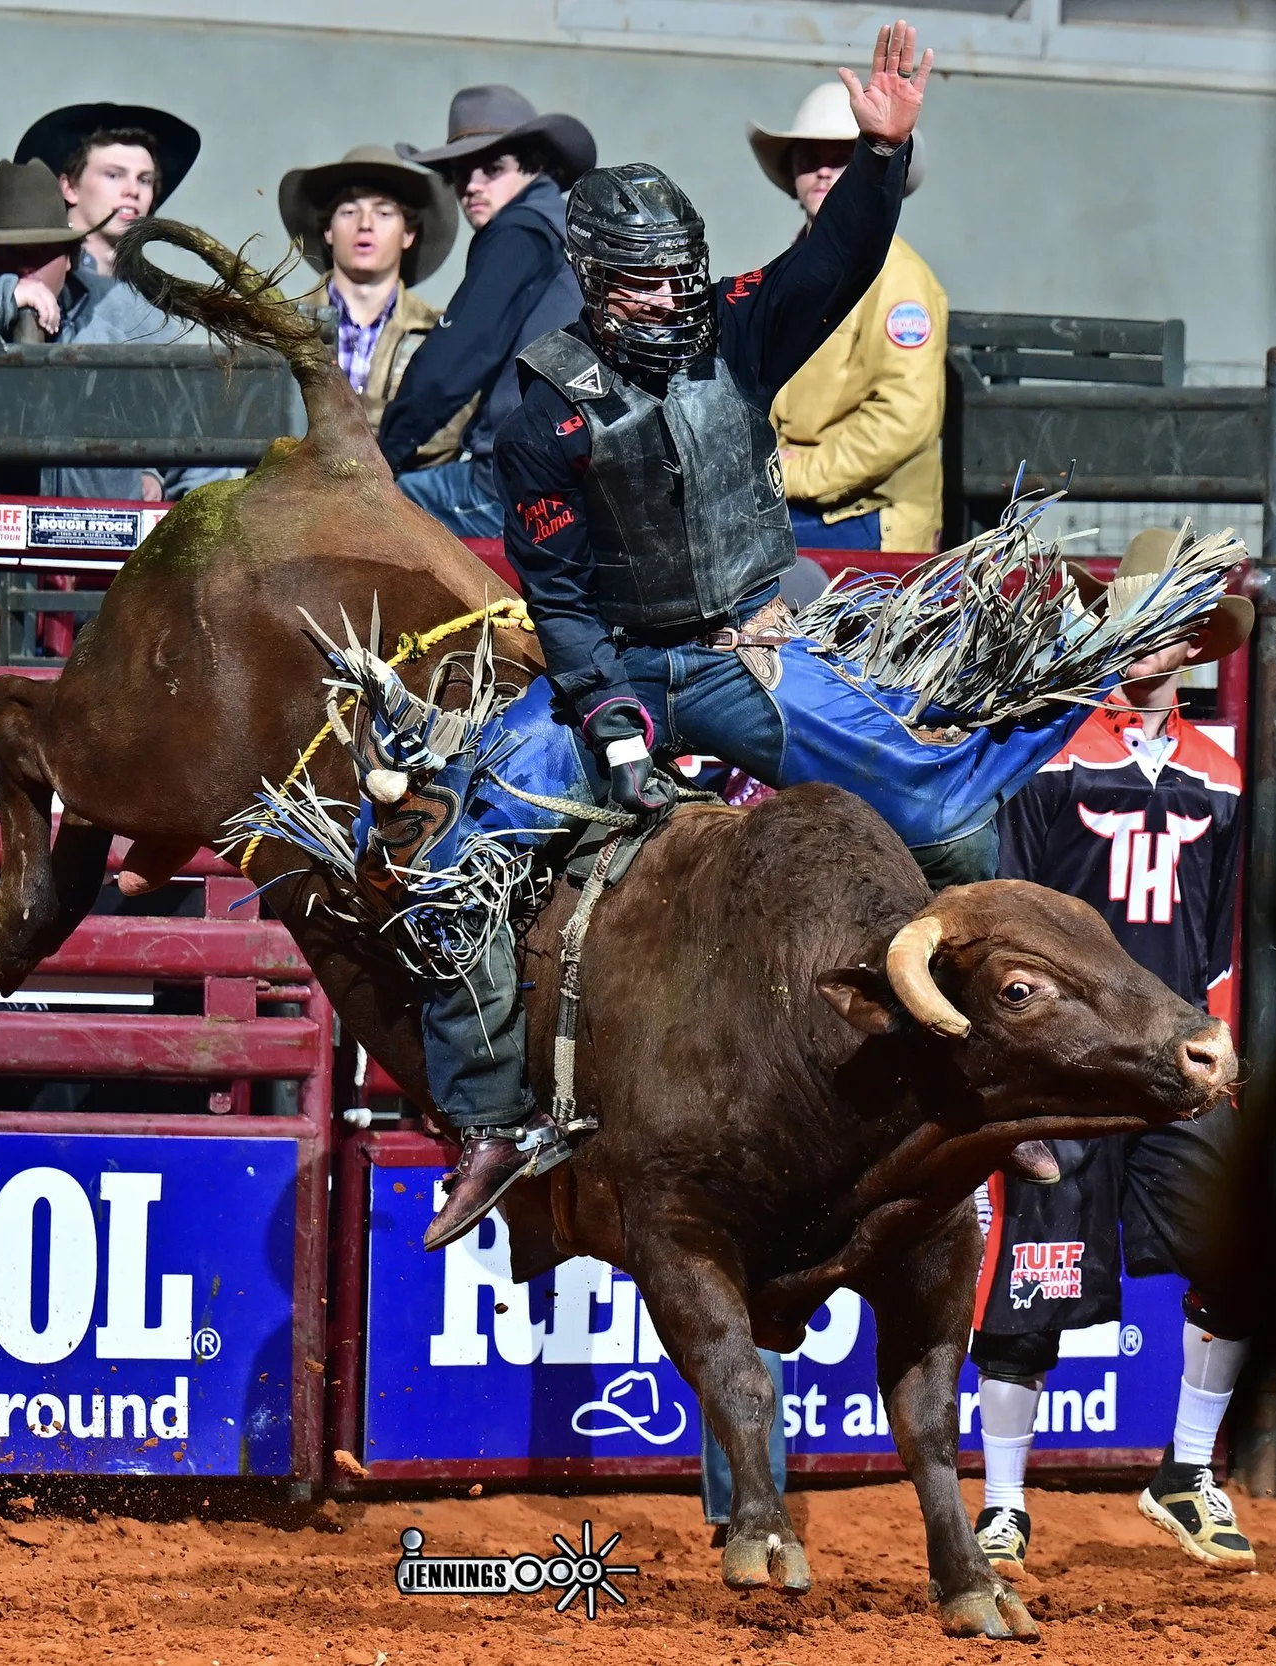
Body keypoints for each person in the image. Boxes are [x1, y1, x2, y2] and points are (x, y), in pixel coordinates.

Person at [415, 23, 936, 1250]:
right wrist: (603, 716)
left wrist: (879, 156)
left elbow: (836, 263)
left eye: (679, 273)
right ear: (594, 283)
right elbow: (555, 586)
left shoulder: (737, 326)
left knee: (935, 790)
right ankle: (492, 1119)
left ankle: (987, 1050)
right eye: (641, 282)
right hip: (626, 664)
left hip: (754, 636)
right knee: (456, 859)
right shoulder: (544, 406)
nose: (667, 299)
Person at [964, 526, 1257, 1578]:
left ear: (1190, 644)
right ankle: (1002, 1506)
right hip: (1067, 1069)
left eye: (1170, 622)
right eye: (1134, 617)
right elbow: (1008, 922)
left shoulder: (1222, 775)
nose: (1150, 640)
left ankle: (1185, 1472)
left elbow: (1220, 935)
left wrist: (1221, 1043)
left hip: (1175, 1067)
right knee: (1025, 1293)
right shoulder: (1045, 755)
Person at [0, 159, 220, 803]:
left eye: (34, 258)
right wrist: (0, 300)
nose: (17, 273)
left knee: (73, 760)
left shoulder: (109, 315)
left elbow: (195, 410)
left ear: (70, 255)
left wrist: (159, 483)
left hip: (66, 580)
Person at [375, 87, 596, 536]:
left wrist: (382, 456)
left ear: (535, 166)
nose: (471, 185)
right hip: (573, 476)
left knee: (361, 513)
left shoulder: (520, 230)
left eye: (492, 169)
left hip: (518, 486)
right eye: (459, 173)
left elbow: (455, 358)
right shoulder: (569, 228)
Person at [750, 80, 948, 553]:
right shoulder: (790, 267)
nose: (821, 170)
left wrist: (786, 472)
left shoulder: (899, 278)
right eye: (808, 156)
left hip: (869, 517)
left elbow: (904, 417)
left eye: (841, 157)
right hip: (799, 502)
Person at [278, 145, 467, 459]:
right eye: (349, 211)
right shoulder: (280, 326)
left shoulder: (441, 336)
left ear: (408, 233)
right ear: (328, 229)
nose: (365, 224)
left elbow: (447, 434)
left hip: (406, 499)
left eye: (383, 212)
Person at [15, 101, 202, 283]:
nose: (133, 190)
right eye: (113, 175)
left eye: (144, 180)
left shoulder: (152, 300)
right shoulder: (25, 279)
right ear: (70, 187)